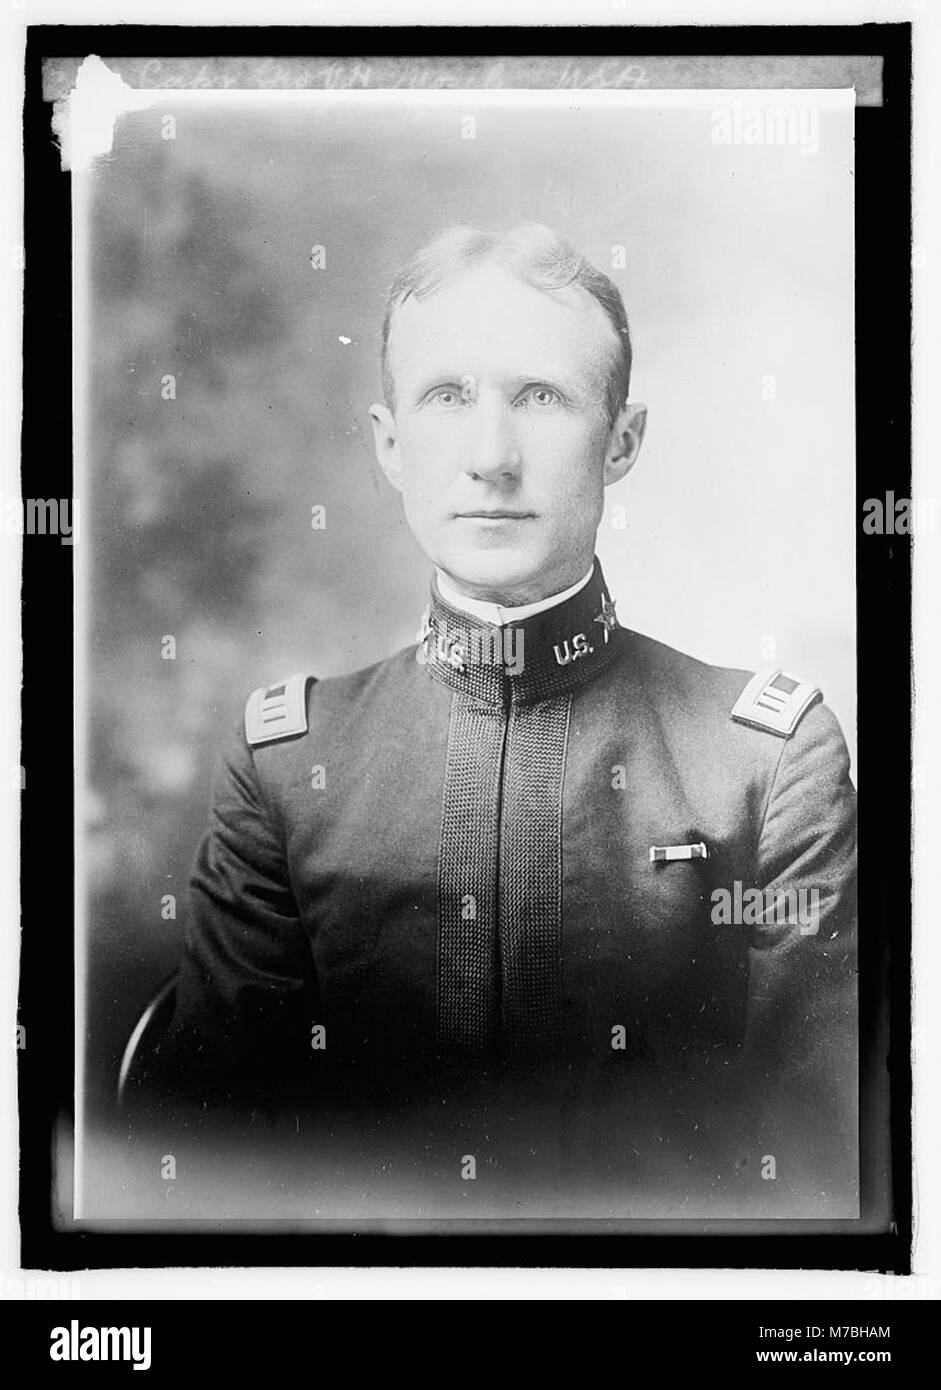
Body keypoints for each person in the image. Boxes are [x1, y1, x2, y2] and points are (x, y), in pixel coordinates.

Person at [137, 224, 857, 1218]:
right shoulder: (289, 766)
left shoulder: (763, 760)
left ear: (622, 440)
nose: (489, 457)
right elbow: (203, 1157)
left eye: (539, 397)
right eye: (446, 397)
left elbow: (822, 1159)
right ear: (390, 445)